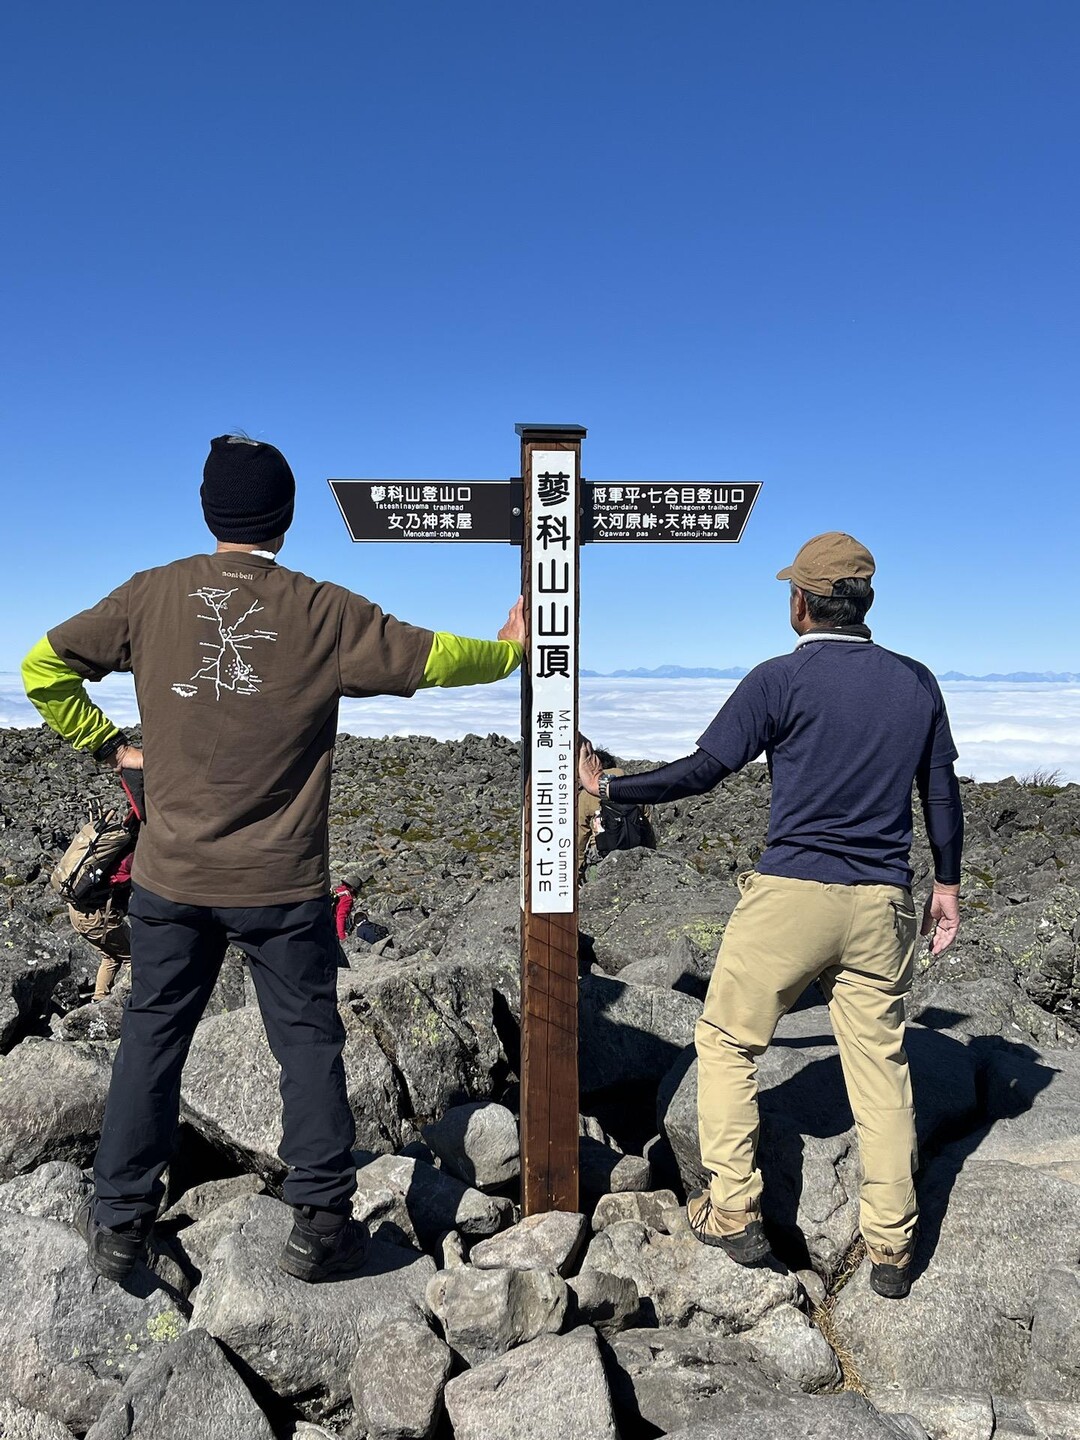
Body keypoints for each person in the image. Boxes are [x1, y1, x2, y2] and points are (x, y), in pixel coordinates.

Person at [22, 433, 525, 1285]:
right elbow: (433, 658)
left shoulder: (150, 596)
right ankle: (322, 1224)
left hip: (171, 880)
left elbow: (43, 668)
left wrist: (110, 747)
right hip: (283, 885)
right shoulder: (323, 609)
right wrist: (510, 649)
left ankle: (119, 1226)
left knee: (151, 1040)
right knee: (305, 1044)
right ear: (285, 520)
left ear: (209, 510)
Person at [579, 532, 963, 1300]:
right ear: (864, 603)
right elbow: (942, 794)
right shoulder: (916, 682)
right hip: (883, 901)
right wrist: (946, 887)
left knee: (725, 1041)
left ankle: (733, 1212)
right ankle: (890, 1248)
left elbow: (703, 773)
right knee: (881, 1064)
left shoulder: (777, 681)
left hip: (791, 894)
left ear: (801, 603)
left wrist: (609, 788)